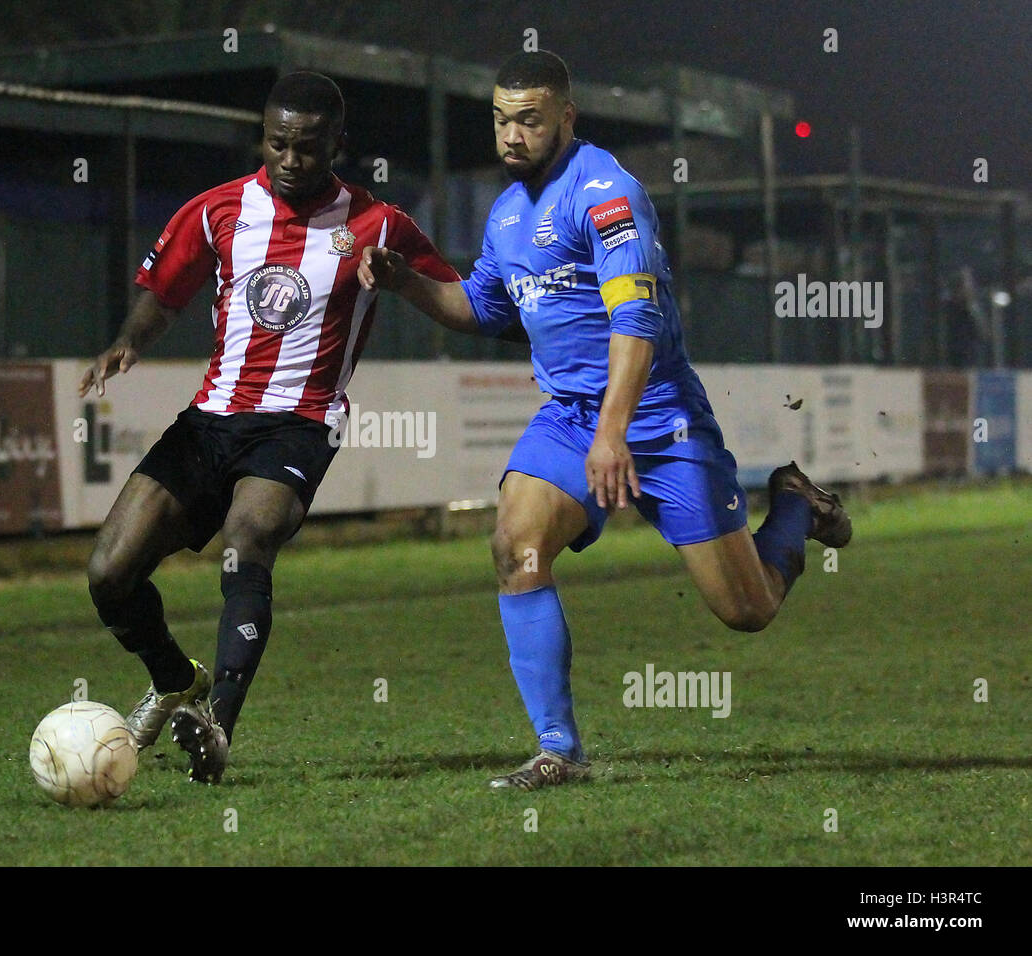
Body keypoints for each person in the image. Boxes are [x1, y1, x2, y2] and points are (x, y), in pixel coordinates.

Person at [358, 51, 852, 790]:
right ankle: (558, 749)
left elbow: (637, 315)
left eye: (529, 119)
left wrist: (615, 432)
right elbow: (483, 310)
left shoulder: (606, 192)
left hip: (659, 419)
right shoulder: (506, 215)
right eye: (501, 119)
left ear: (566, 117)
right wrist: (409, 283)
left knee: (748, 610)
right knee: (515, 544)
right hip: (569, 418)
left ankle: (791, 504)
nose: (512, 135)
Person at [80, 71, 459, 783]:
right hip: (212, 419)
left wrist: (404, 277)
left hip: (299, 423)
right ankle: (175, 680)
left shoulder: (377, 224)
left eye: (308, 147)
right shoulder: (219, 210)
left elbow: (456, 299)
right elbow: (163, 293)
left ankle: (217, 726)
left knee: (249, 535)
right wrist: (128, 340)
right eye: (278, 142)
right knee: (109, 573)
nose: (290, 158)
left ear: (338, 145)